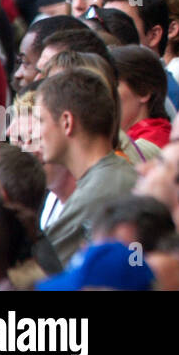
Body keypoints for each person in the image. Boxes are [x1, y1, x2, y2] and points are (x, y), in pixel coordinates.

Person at [40, 70, 138, 262]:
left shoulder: (98, 192)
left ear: (67, 122)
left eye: (40, 120)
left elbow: (39, 272)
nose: (36, 133)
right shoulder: (112, 177)